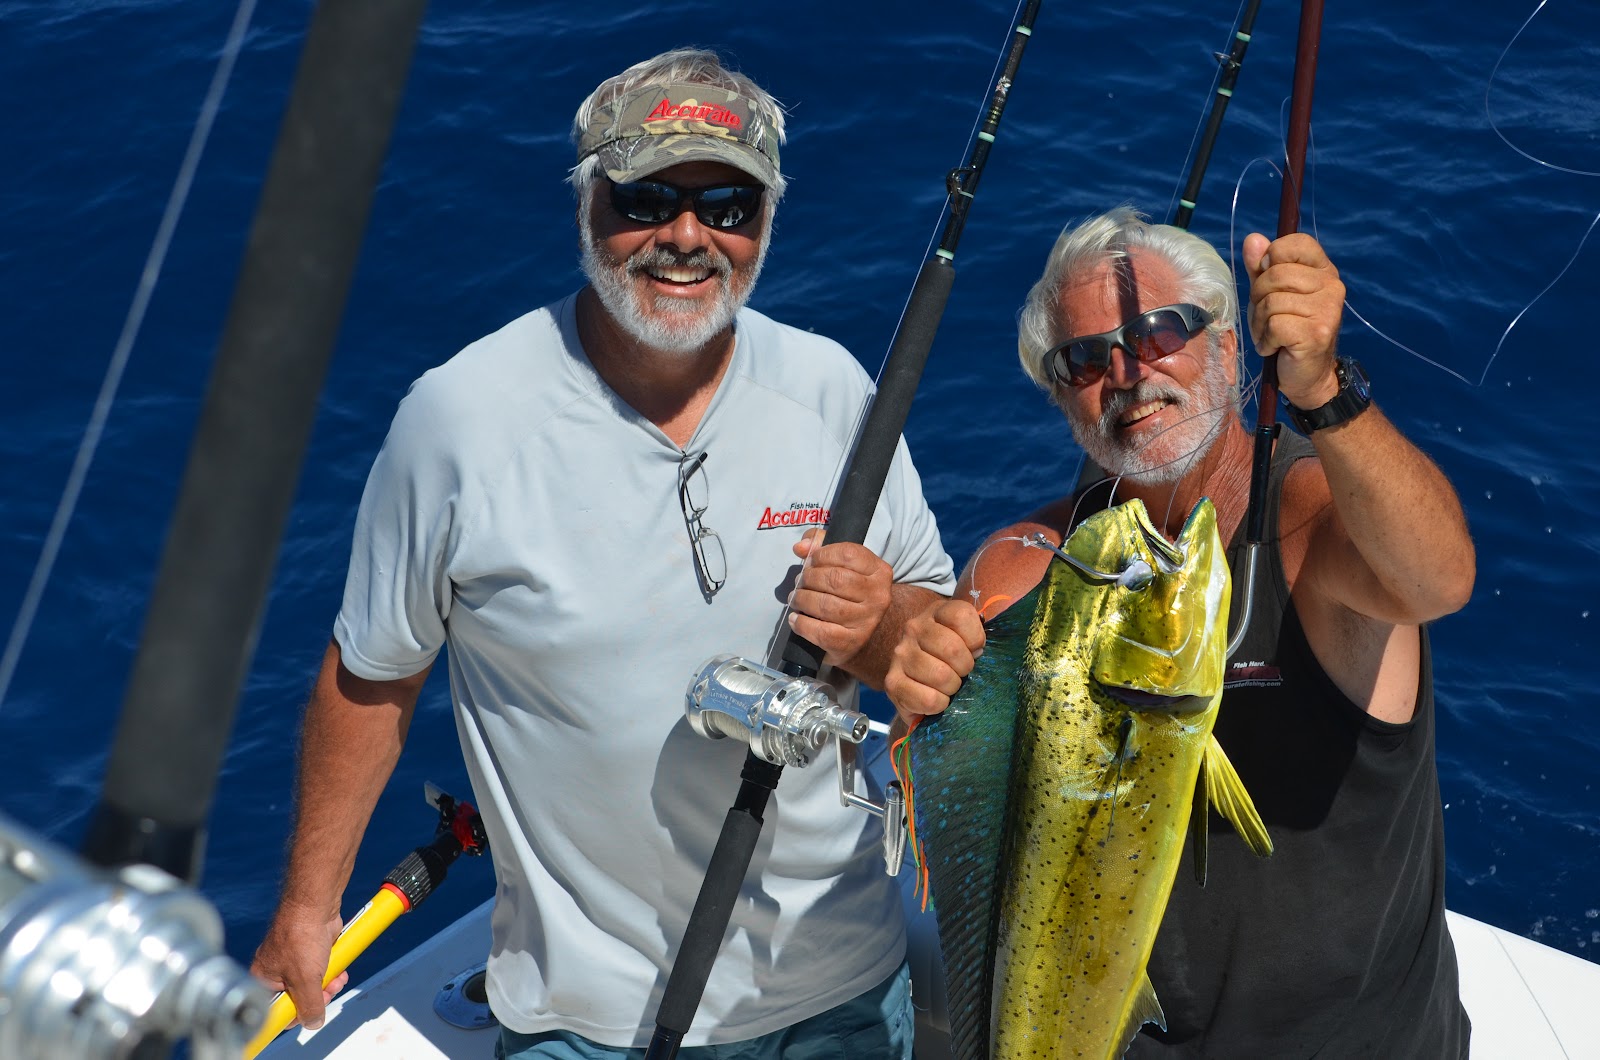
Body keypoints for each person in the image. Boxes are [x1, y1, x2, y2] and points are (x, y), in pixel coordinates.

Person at [251, 48, 954, 1059]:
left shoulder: (833, 388)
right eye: (646, 198)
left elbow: (929, 642)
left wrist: (883, 626)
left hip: (841, 993)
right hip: (588, 1022)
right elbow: (375, 673)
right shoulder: (458, 421)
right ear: (586, 201)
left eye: (727, 205)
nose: (686, 236)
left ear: (765, 220)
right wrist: (305, 909)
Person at [885, 207, 1475, 1056]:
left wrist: (1323, 391)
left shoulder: (1316, 520)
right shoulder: (1027, 565)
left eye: (1159, 332)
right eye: (1085, 359)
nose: (1127, 373)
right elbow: (950, 753)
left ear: (1230, 347)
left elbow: (1437, 580)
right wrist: (915, 660)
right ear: (1061, 396)